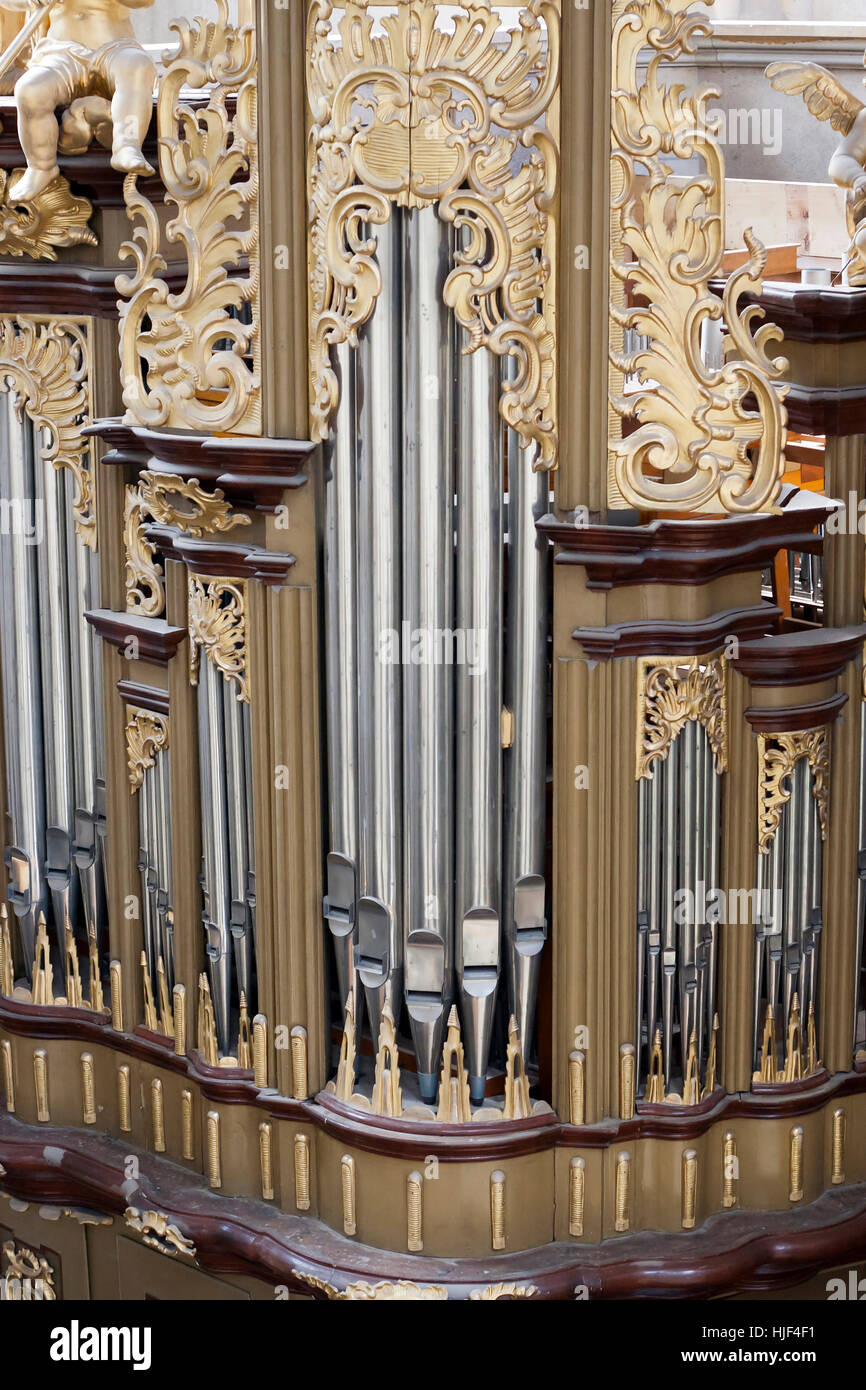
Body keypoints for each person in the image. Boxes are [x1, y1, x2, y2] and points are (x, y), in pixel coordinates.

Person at [4, 0, 156, 202]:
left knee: (138, 66)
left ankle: (127, 145)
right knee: (29, 89)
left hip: (114, 49)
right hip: (62, 53)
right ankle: (41, 167)